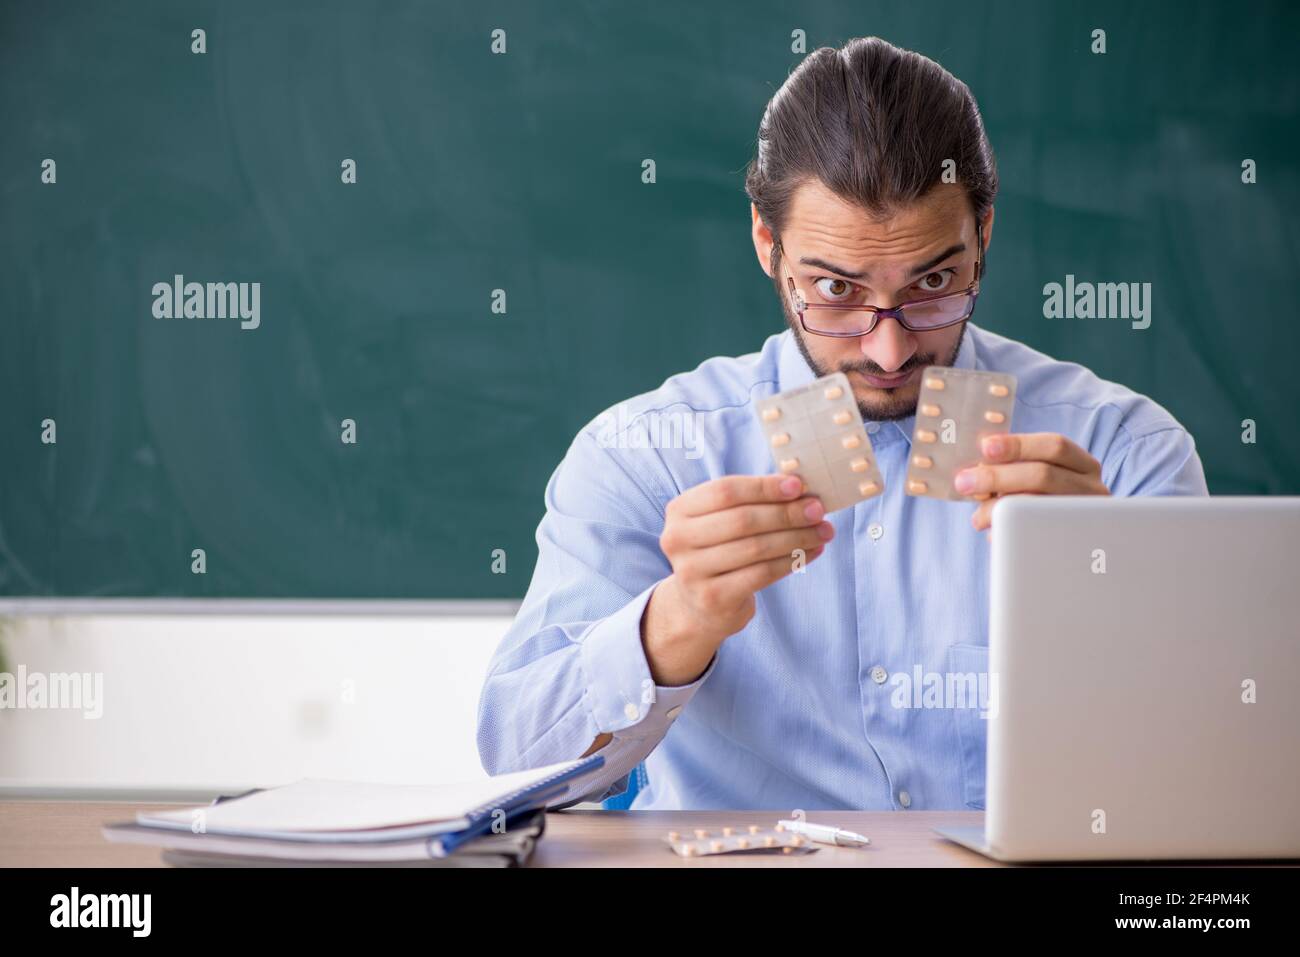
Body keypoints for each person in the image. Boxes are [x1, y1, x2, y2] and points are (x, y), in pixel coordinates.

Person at [476, 36, 1207, 810]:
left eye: (933, 281)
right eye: (834, 289)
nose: (888, 347)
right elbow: (519, 767)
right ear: (769, 245)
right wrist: (677, 620)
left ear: (983, 234)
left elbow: (1219, 767)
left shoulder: (1125, 451)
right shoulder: (644, 456)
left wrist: (1113, 594)